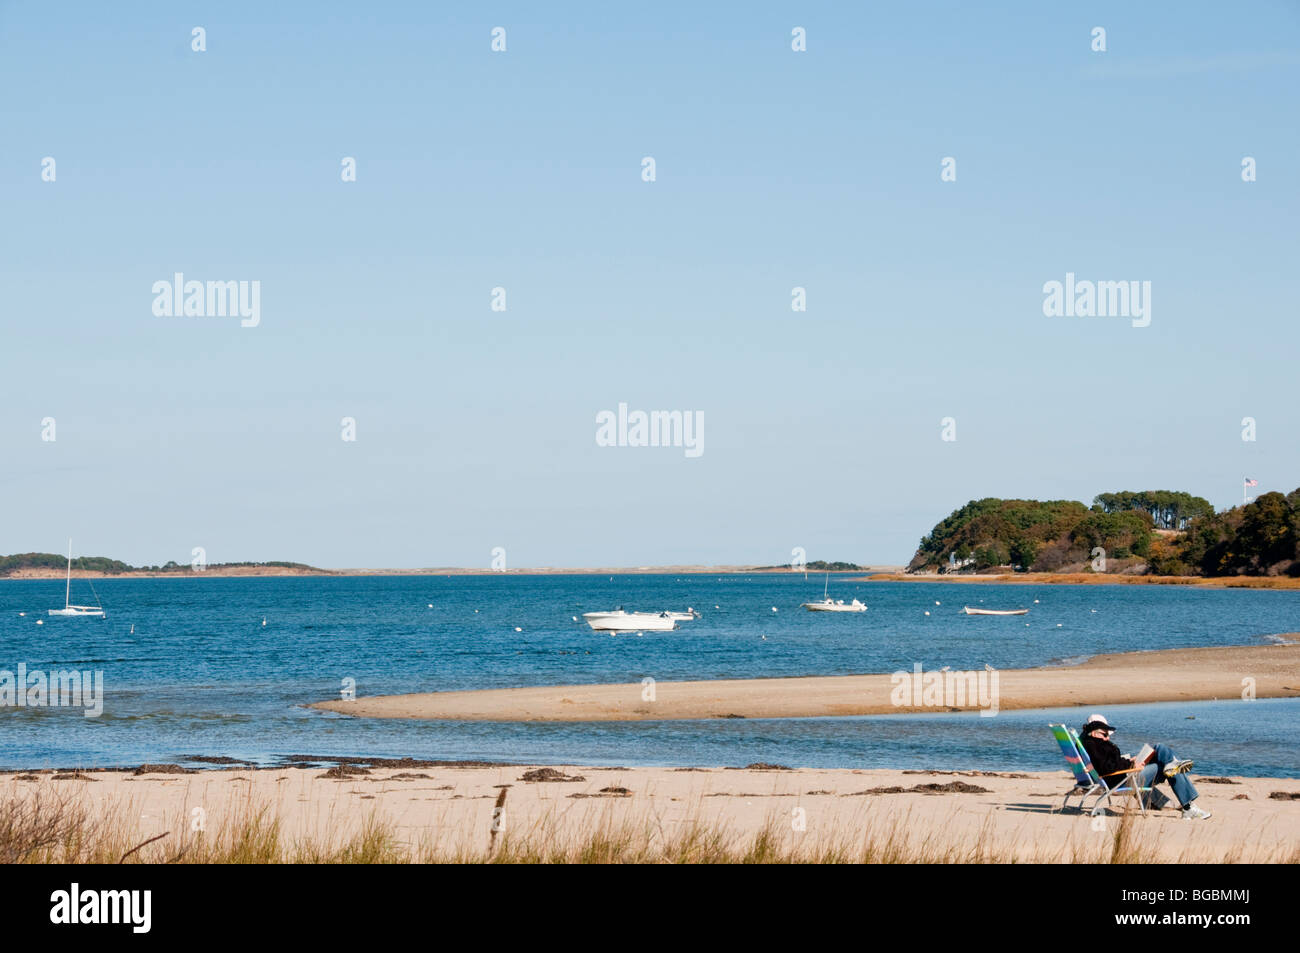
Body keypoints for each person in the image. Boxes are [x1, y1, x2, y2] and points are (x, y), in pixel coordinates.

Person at [1078, 713, 1211, 820]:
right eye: (1105, 734)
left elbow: (1108, 763)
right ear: (1094, 732)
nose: (1107, 737)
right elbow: (1107, 767)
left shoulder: (1091, 743)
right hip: (1126, 779)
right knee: (1164, 763)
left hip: (1124, 775)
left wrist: (1129, 760)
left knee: (1159, 751)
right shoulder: (1094, 745)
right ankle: (1188, 807)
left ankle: (1173, 765)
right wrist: (1131, 765)